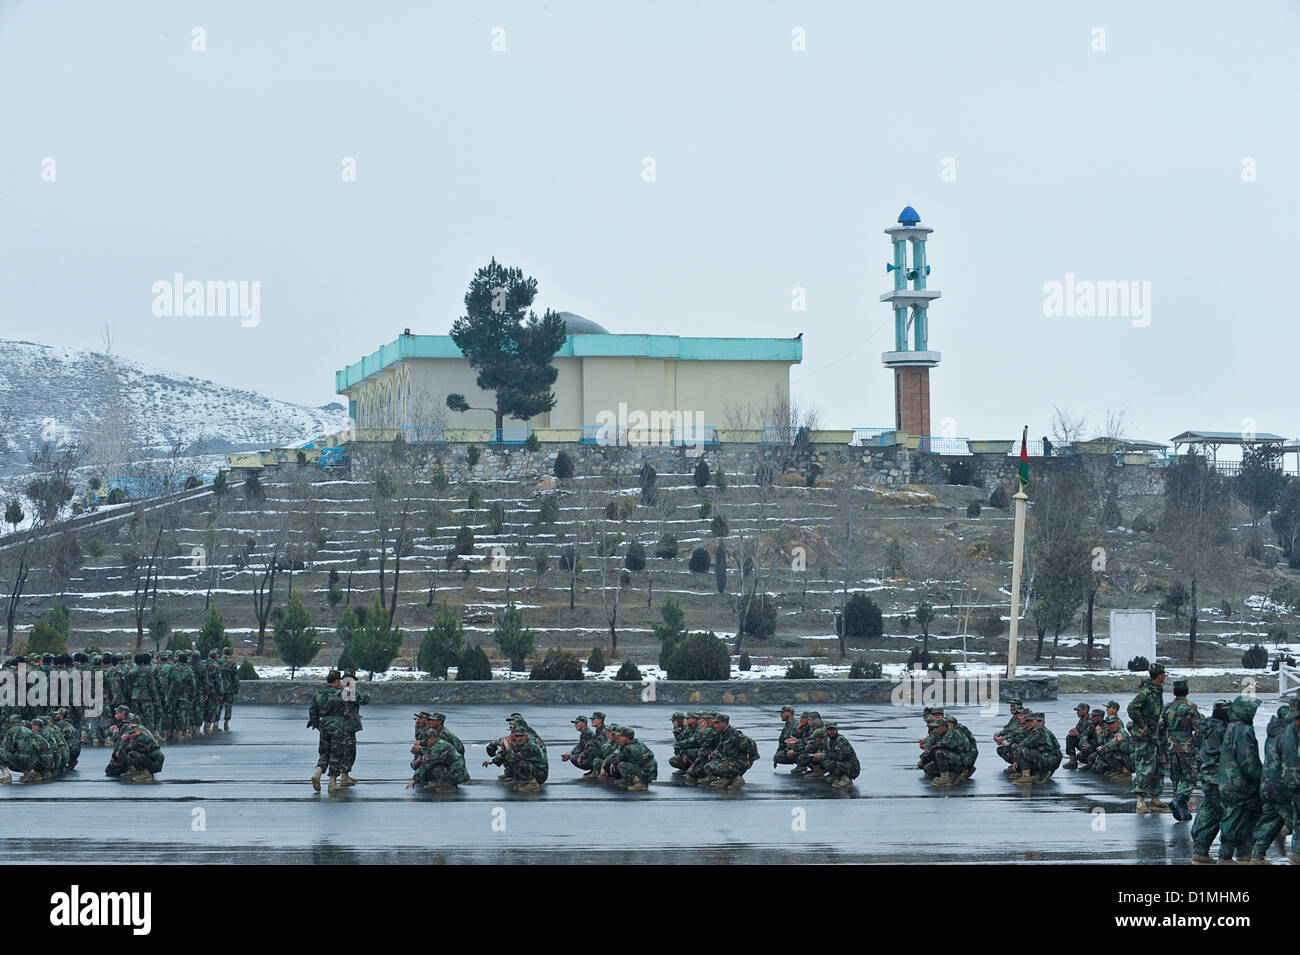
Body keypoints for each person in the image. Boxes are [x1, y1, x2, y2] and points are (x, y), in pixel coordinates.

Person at [1215, 695, 1262, 864]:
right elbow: (1248, 760)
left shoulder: (1234, 727)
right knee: (1235, 819)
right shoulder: (1243, 730)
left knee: (1245, 817)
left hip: (1230, 781)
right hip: (1239, 784)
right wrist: (1261, 777)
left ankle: (1243, 855)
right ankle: (1226, 856)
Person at [1248, 703, 1294, 864]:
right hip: (1281, 786)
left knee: (1270, 820)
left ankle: (1257, 855)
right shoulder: (1287, 736)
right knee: (1293, 819)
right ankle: (1294, 850)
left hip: (1267, 785)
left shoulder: (1273, 734)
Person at [1190, 700, 1231, 865]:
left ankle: (1200, 852)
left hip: (1207, 777)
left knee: (1209, 814)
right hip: (1221, 778)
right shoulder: (1224, 730)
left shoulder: (1206, 728)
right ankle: (1225, 857)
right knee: (1230, 816)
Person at [1158, 680, 1203, 820]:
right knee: (1190, 776)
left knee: (1176, 776)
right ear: (1187, 692)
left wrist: (1162, 746)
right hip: (1187, 745)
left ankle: (1182, 809)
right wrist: (1196, 744)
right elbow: (1199, 729)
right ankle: (1179, 800)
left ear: (1174, 692)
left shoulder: (1168, 707)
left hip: (1171, 745)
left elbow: (1160, 727)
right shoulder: (1190, 707)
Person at [1127, 664, 1169, 813]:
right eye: (1164, 673)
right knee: (1145, 767)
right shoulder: (1147, 692)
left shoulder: (1157, 691)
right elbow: (1132, 708)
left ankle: (1155, 799)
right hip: (1146, 737)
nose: (1165, 676)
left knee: (1159, 766)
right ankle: (1140, 801)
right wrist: (1141, 724)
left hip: (1156, 736)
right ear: (1159, 675)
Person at [307, 670, 348, 793]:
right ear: (336, 681)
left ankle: (317, 773)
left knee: (324, 752)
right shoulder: (342, 693)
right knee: (336, 754)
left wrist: (318, 724)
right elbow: (356, 702)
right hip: (338, 726)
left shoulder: (318, 694)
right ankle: (332, 783)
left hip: (324, 725)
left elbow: (312, 711)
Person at [696, 714, 757, 790]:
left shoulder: (734, 734)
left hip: (738, 762)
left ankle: (737, 779)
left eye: (717, 723)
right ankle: (725, 780)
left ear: (724, 723)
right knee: (708, 766)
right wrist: (713, 754)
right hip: (729, 761)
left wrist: (750, 760)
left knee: (714, 766)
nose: (714, 725)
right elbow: (720, 747)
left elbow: (750, 744)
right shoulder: (723, 733)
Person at [484, 725, 548, 792]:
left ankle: (533, 784)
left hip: (540, 774)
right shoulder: (518, 743)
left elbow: (513, 758)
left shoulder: (530, 746)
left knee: (515, 761)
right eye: (517, 736)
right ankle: (519, 779)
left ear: (526, 736)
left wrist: (507, 746)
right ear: (514, 736)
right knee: (509, 756)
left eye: (522, 736)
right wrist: (491, 761)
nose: (519, 738)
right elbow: (506, 754)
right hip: (532, 769)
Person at [1009, 711, 1061, 784]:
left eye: (1031, 721)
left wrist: (1016, 760)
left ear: (1035, 721)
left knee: (1021, 750)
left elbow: (1024, 744)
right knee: (1019, 748)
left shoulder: (1038, 730)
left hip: (1048, 759)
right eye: (1027, 721)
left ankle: (1026, 776)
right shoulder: (1032, 730)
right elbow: (1016, 738)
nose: (1029, 723)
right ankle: (1036, 773)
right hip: (1048, 758)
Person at [602, 726, 657, 791]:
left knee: (621, 765)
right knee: (620, 763)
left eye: (619, 737)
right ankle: (631, 781)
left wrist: (604, 766)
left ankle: (640, 784)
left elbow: (614, 758)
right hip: (647, 770)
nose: (617, 739)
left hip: (646, 773)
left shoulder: (630, 748)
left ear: (626, 738)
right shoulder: (636, 742)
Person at [926, 715, 975, 787]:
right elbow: (930, 741)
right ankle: (954, 776)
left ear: (943, 727)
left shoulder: (951, 733)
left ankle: (946, 778)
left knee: (939, 753)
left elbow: (942, 745)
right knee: (929, 768)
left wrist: (930, 751)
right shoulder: (944, 733)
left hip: (963, 761)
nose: (934, 730)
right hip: (959, 759)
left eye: (936, 727)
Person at [813, 721, 860, 788]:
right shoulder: (829, 740)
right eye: (830, 730)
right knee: (825, 761)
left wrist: (823, 756)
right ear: (826, 731)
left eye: (834, 730)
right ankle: (835, 776)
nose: (832, 732)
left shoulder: (840, 740)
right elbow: (828, 752)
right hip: (843, 764)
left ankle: (846, 779)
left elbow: (839, 756)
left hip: (852, 767)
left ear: (837, 730)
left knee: (829, 763)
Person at [1063, 702, 1092, 770]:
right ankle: (1072, 761)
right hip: (1081, 742)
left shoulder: (1090, 721)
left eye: (1079, 710)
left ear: (1085, 710)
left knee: (1080, 756)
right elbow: (1078, 730)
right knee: (1070, 737)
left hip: (1089, 745)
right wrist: (1073, 732)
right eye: (1077, 710)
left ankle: (1091, 763)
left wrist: (1077, 734)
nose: (1077, 712)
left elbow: (1087, 736)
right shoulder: (1081, 720)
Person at [220, 646, 240, 731]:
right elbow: (235, 677)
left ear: (223, 653)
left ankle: (215, 724)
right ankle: (226, 723)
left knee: (218, 706)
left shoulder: (218, 662)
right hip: (229, 688)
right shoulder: (232, 664)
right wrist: (236, 688)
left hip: (219, 687)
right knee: (228, 706)